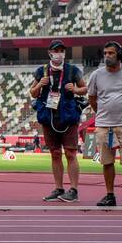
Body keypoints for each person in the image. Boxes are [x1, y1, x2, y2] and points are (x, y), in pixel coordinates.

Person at [30, 39, 88, 202]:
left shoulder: (72, 70)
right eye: (56, 51)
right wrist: (39, 85)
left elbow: (85, 89)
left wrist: (76, 89)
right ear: (50, 53)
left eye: (62, 51)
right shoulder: (41, 71)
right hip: (49, 116)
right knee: (55, 153)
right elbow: (33, 93)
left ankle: (74, 190)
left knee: (70, 152)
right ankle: (58, 188)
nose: (59, 53)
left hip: (68, 116)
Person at [87, 41, 122, 207]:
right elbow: (92, 99)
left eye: (111, 53)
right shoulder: (96, 75)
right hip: (104, 124)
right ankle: (110, 195)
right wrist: (104, 114)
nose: (107, 56)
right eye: (105, 53)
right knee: (107, 161)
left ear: (120, 55)